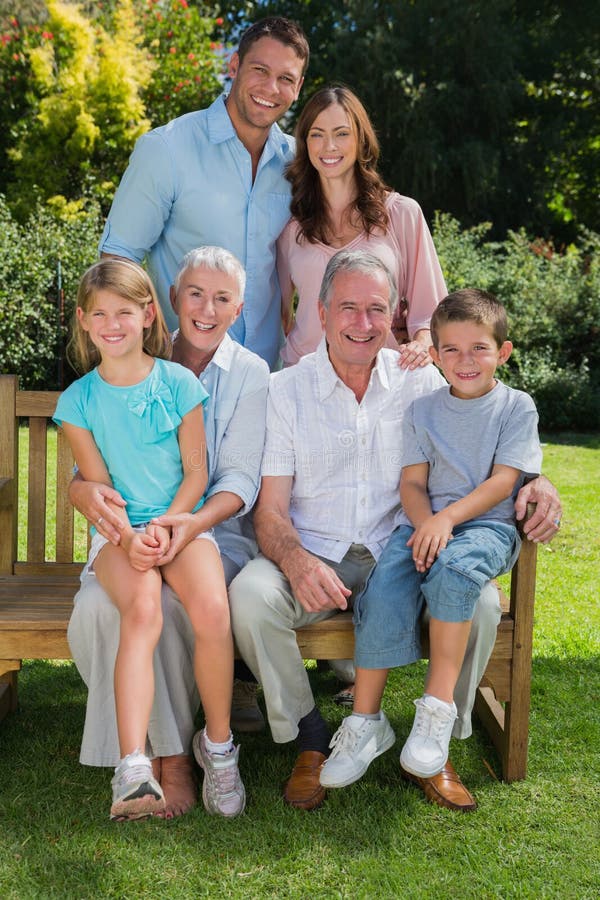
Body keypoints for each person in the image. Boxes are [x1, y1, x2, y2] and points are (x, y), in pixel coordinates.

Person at [228, 250, 562, 813]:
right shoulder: (285, 390)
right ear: (322, 309)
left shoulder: (421, 377)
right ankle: (311, 737)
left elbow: (485, 425)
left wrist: (541, 482)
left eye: (376, 309)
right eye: (349, 308)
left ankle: (437, 743)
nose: (362, 323)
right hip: (320, 552)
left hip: (404, 551)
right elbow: (270, 510)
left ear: (396, 315)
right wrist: (296, 562)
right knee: (251, 595)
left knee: (480, 600)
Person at [66, 248, 269, 818]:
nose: (113, 325)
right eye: (100, 315)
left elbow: (201, 472)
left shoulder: (182, 383)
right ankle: (134, 765)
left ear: (149, 314)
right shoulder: (79, 400)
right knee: (144, 609)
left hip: (185, 525)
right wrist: (131, 537)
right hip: (120, 534)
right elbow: (97, 485)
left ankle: (217, 748)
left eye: (125, 313)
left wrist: (172, 525)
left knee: (209, 608)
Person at [320, 289, 543, 803]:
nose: (466, 361)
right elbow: (412, 485)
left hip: (484, 527)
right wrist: (425, 526)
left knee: (456, 574)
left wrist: (445, 523)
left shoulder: (515, 406)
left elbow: (503, 482)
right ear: (436, 354)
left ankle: (436, 712)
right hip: (421, 524)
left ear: (502, 353)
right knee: (383, 587)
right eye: (452, 350)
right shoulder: (422, 409)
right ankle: (365, 722)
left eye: (479, 349)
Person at [99, 17, 309, 369]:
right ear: (234, 65)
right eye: (259, 70)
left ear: (299, 87)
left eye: (285, 78)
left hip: (265, 381)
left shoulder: (299, 164)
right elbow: (117, 263)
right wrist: (149, 350)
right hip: (176, 377)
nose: (271, 87)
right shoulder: (166, 149)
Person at [277, 85, 446, 369]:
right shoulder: (291, 228)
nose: (329, 146)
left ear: (361, 140)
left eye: (341, 134)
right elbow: (280, 316)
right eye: (317, 134)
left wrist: (419, 344)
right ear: (305, 143)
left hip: (386, 381)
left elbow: (432, 315)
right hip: (307, 382)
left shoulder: (402, 214)